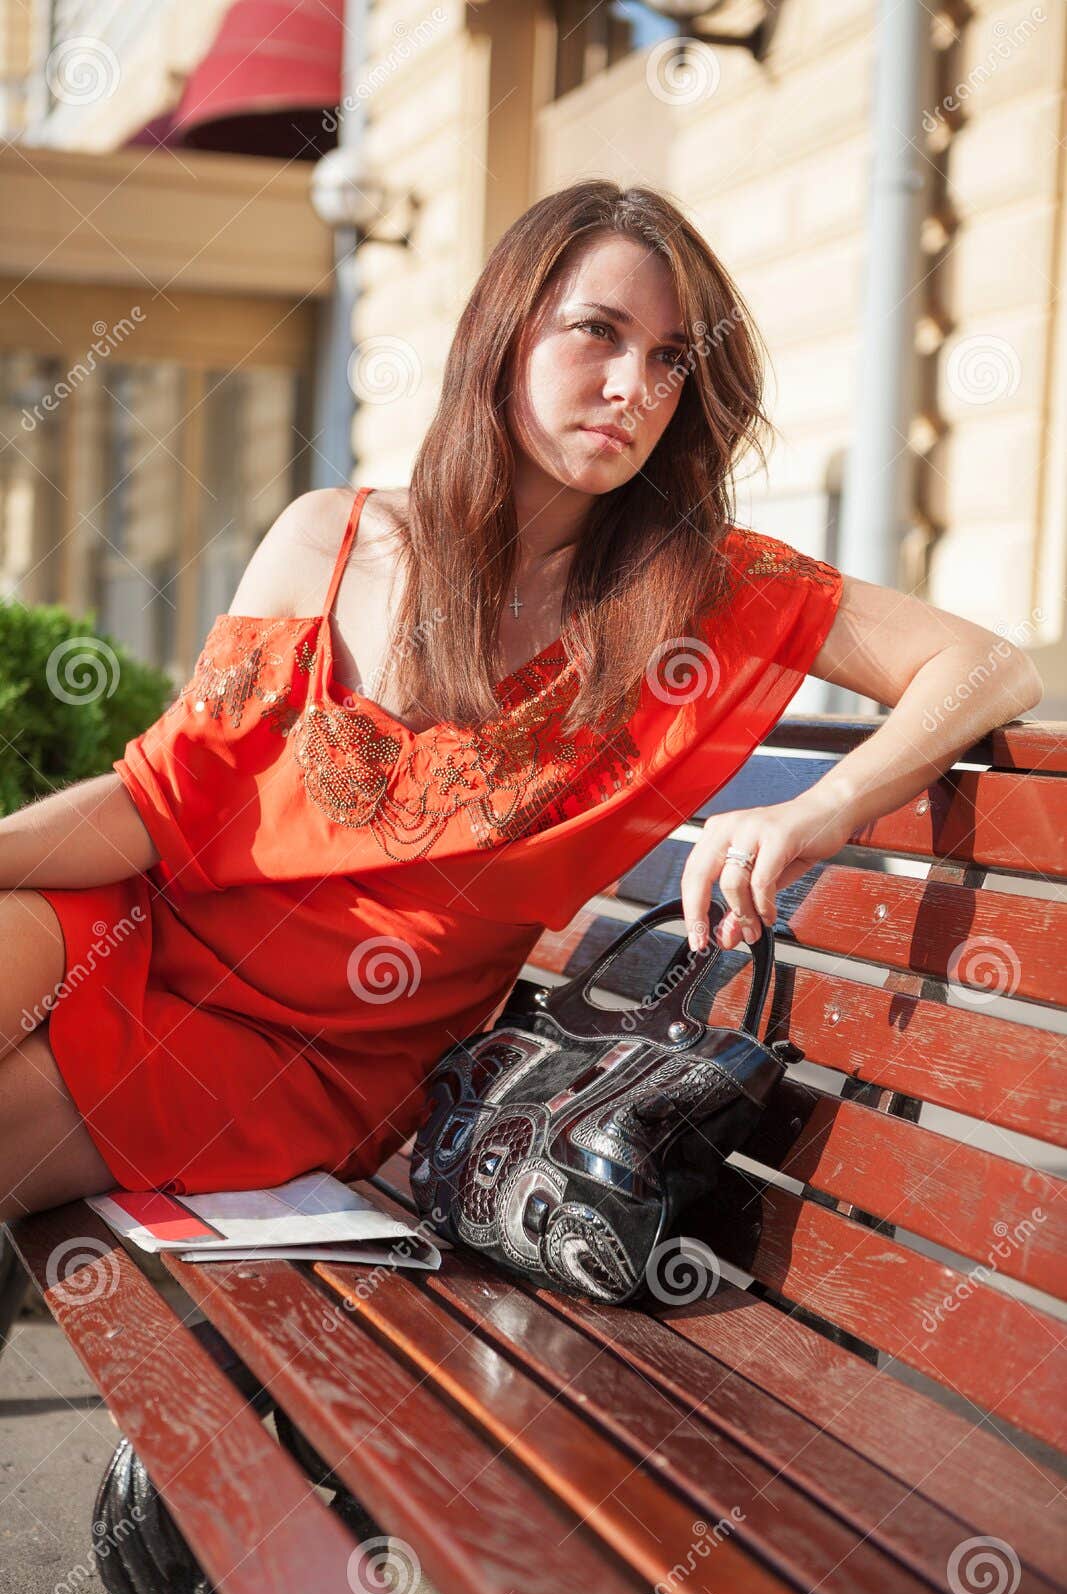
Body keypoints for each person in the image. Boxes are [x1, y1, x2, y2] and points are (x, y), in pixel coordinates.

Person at [0, 180, 1041, 1224]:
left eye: (670, 358)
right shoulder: (329, 539)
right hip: (140, 924)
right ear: (502, 334)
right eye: (598, 332)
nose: (633, 384)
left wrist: (817, 807)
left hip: (303, 1060)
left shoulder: (698, 596)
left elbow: (985, 662)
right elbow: (159, 802)